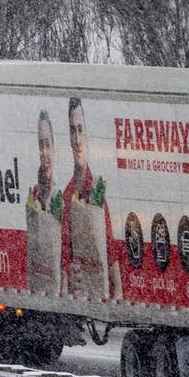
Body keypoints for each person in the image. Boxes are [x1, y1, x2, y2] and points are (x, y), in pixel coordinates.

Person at [61, 98, 120, 300]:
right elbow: (64, 254)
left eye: (80, 130)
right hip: (77, 294)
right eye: (72, 130)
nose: (76, 139)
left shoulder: (96, 188)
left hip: (98, 292)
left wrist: (118, 291)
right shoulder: (67, 194)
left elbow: (109, 245)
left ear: (87, 134)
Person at [25, 110, 64, 294]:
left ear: (55, 148)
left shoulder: (65, 194)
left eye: (47, 144)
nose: (44, 152)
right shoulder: (32, 197)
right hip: (39, 286)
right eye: (40, 145)